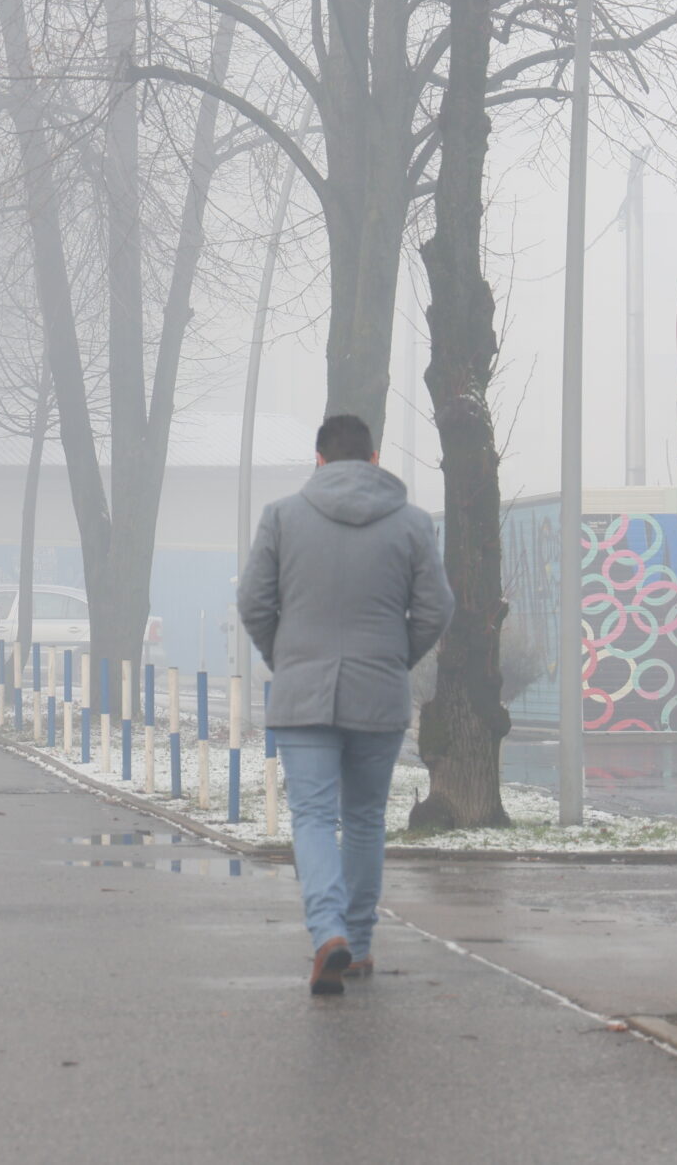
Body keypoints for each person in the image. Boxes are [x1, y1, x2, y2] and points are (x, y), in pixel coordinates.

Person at [239, 413, 452, 996]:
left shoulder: (281, 518)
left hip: (302, 693)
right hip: (378, 695)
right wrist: (393, 658)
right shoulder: (410, 524)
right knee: (363, 819)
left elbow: (253, 602)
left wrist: (285, 657)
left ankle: (327, 932)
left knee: (311, 817)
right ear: (375, 460)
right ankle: (356, 944)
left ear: (319, 460)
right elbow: (437, 608)